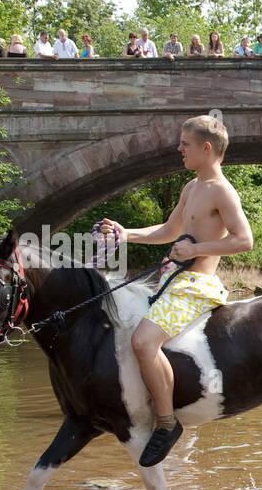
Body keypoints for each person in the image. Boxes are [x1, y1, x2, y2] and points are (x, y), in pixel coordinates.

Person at [97, 115, 253, 468]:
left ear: (206, 148)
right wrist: (127, 234)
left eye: (185, 144)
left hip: (197, 286)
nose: (179, 149)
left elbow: (244, 240)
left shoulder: (221, 191)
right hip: (175, 281)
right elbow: (169, 229)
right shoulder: (192, 188)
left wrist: (196, 251)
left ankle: (167, 424)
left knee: (142, 342)